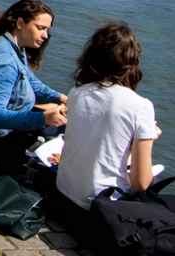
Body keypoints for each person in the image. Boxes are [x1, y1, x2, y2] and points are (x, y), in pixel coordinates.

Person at [55, 23, 160, 210]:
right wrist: (148, 137)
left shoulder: (76, 92)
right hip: (98, 206)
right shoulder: (140, 106)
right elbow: (140, 183)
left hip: (63, 191)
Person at [0, 0, 67, 169]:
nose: (45, 35)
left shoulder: (10, 45)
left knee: (58, 115)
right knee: (57, 139)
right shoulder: (5, 61)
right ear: (20, 23)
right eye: (40, 28)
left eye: (47, 29)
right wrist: (44, 118)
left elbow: (30, 82)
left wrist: (60, 97)